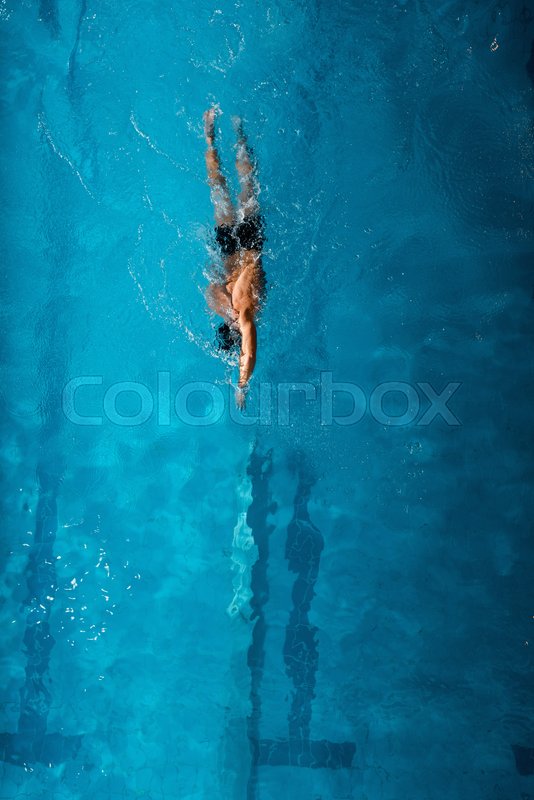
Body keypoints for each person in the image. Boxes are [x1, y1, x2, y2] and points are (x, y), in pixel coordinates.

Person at [203, 106, 266, 408]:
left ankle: (238, 135)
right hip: (229, 249)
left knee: (246, 185)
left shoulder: (245, 312)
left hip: (249, 245)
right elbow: (211, 283)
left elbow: (250, 353)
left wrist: (242, 385)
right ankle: (212, 138)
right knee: (219, 187)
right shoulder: (219, 304)